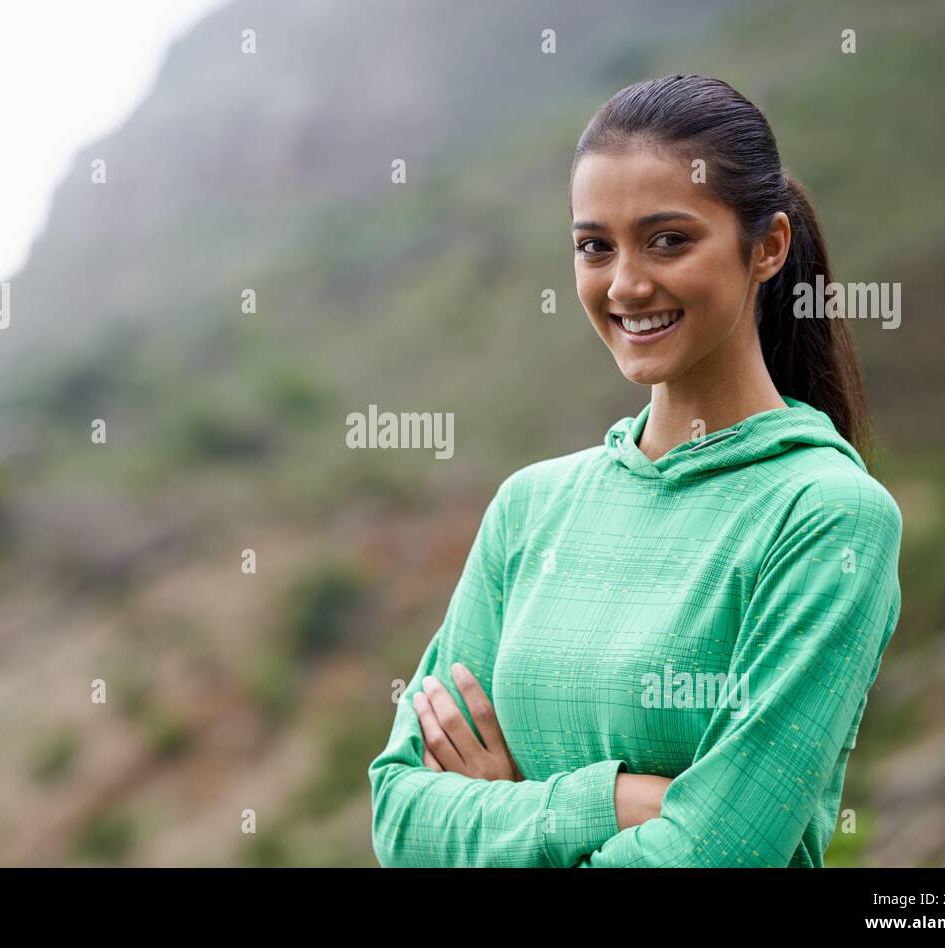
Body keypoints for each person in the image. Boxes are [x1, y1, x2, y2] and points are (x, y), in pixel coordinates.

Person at [367, 74, 903, 867]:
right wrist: (614, 801)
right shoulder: (530, 508)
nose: (625, 284)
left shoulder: (825, 515)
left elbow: (716, 852)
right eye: (595, 246)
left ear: (768, 248)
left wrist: (507, 810)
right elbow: (402, 817)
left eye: (668, 240)